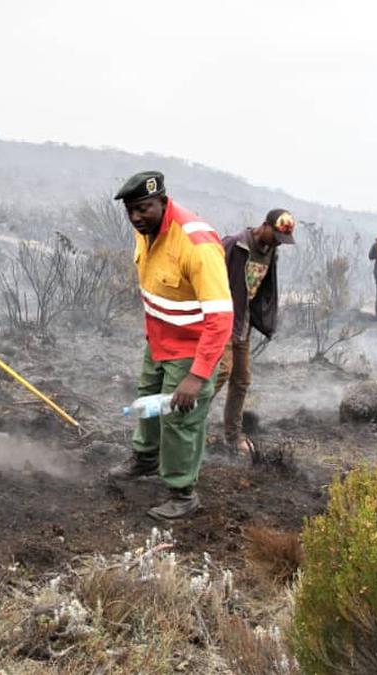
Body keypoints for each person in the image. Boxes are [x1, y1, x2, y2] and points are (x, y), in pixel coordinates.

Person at [107, 171, 233, 521]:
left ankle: (182, 492)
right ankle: (145, 458)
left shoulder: (197, 244)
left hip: (191, 347)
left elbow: (221, 318)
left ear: (163, 201)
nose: (135, 217)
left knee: (179, 418)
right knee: (148, 402)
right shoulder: (144, 231)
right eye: (130, 210)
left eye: (143, 208)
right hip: (159, 340)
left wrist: (197, 375)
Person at [213, 209, 294, 454]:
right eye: (276, 236)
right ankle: (189, 426)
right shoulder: (234, 244)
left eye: (282, 240)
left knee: (241, 379)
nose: (278, 243)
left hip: (243, 324)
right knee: (220, 373)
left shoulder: (272, 253)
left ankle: (233, 436)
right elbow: (210, 279)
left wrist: (264, 319)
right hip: (221, 320)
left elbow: (263, 289)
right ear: (265, 226)